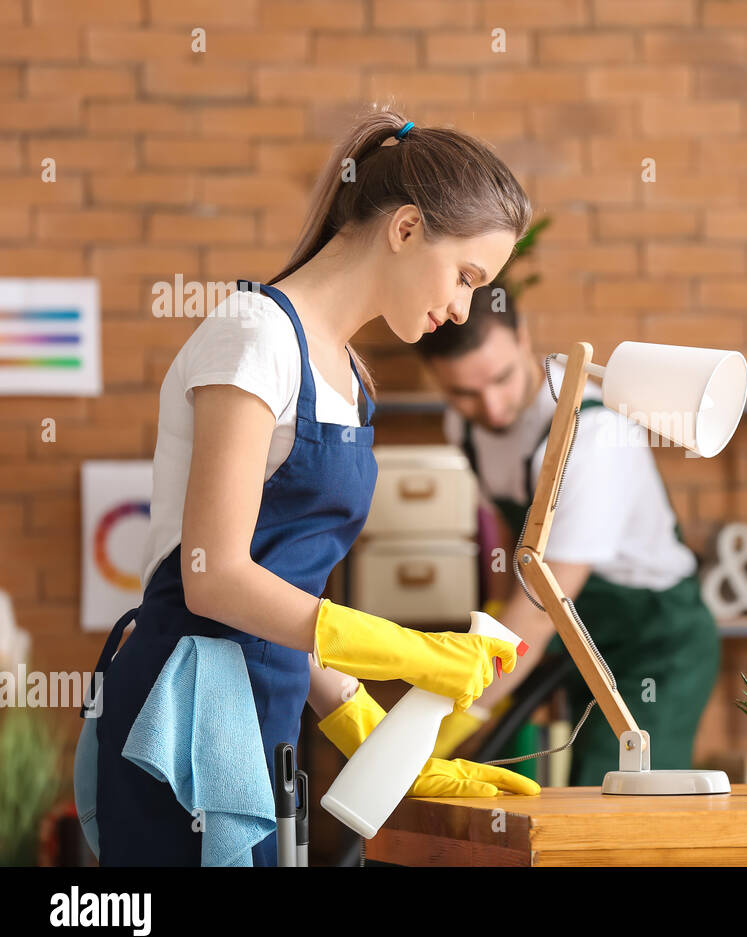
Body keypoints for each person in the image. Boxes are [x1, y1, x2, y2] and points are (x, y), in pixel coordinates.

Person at [86, 108, 539, 867]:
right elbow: (216, 578)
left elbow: (285, 598)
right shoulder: (255, 335)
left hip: (268, 715)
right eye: (466, 276)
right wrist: (404, 650)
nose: (464, 308)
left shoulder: (348, 378)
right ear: (404, 229)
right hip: (185, 719)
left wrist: (371, 733)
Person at [412, 283, 721, 786]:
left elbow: (545, 601)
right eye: (464, 393)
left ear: (523, 337)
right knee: (581, 790)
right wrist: (488, 630)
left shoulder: (590, 434)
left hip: (657, 638)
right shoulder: (462, 428)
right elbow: (514, 548)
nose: (490, 408)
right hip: (585, 634)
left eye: (502, 379)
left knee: (621, 796)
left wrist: (464, 713)